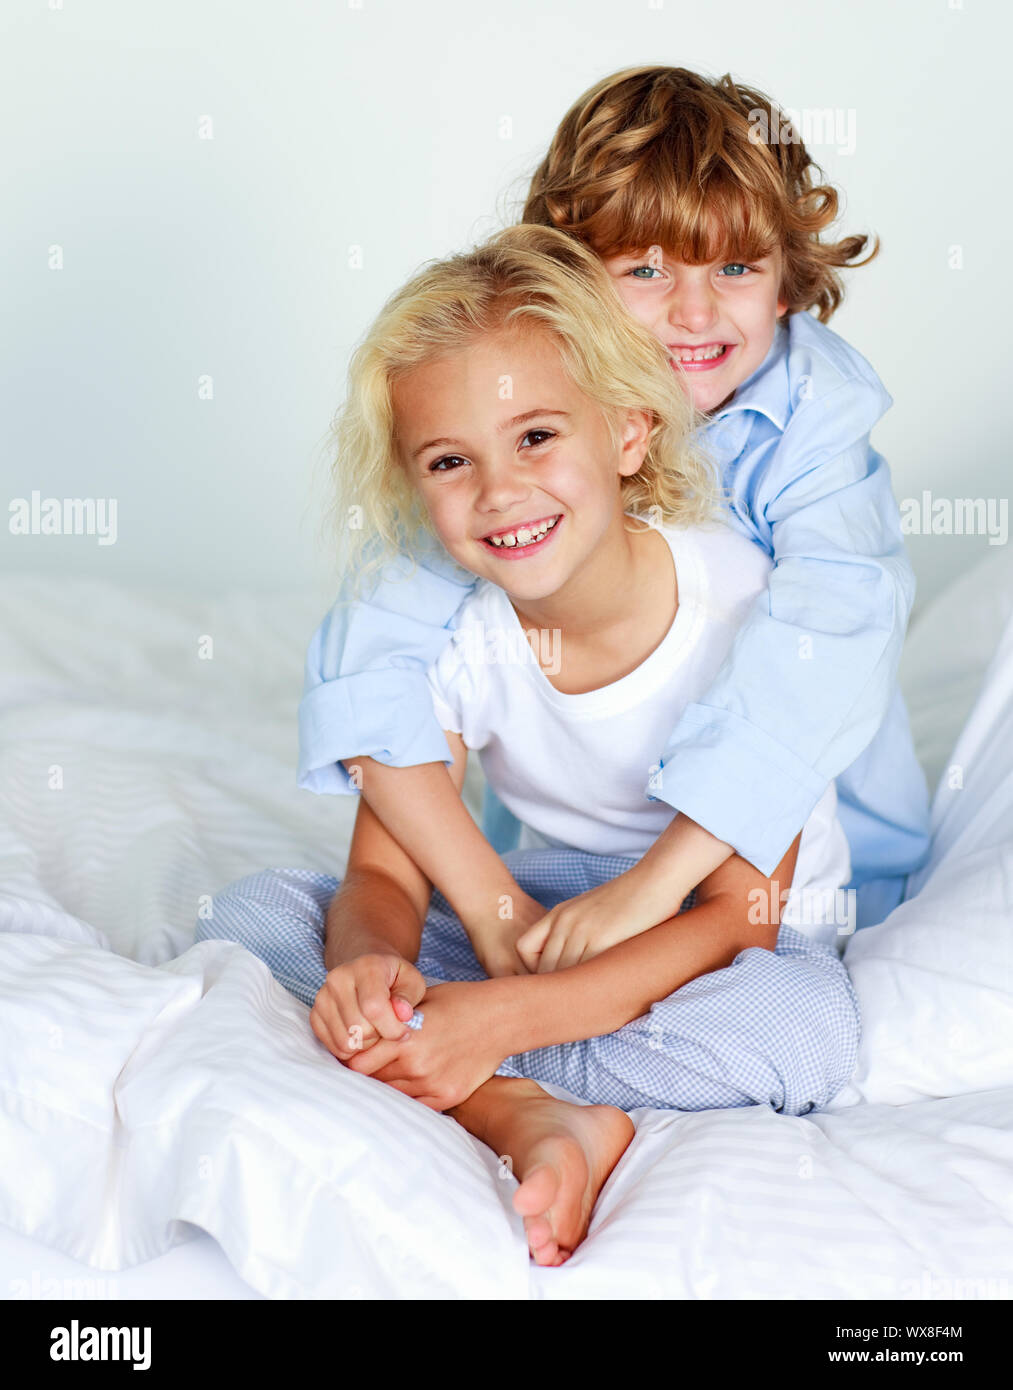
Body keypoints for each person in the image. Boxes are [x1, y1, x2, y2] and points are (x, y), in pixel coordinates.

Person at [197, 225, 860, 1267]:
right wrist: (370, 966)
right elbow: (383, 870)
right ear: (418, 488)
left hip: (736, 931)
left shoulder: (738, 602)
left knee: (802, 1035)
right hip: (545, 910)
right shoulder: (457, 639)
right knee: (260, 920)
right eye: (450, 461)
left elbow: (739, 915)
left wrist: (498, 1014)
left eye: (537, 437)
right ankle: (527, 1112)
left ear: (630, 431)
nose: (499, 493)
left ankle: (475, 1067)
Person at [298, 65, 930, 941]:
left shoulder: (813, 424)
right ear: (571, 280)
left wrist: (655, 887)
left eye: (737, 267)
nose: (694, 313)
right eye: (645, 269)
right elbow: (381, 642)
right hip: (583, 843)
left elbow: (831, 630)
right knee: (302, 922)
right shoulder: (517, 424)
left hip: (802, 856)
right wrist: (492, 902)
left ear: (786, 283)